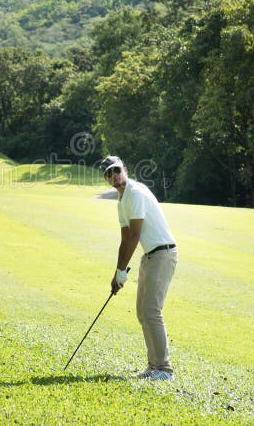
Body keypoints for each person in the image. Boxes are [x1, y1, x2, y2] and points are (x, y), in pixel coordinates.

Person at [101, 155, 178, 382]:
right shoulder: (122, 201)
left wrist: (123, 271)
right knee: (142, 312)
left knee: (151, 311)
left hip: (163, 253)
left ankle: (165, 369)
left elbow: (135, 236)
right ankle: (153, 367)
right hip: (150, 256)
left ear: (124, 169)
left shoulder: (134, 193)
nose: (113, 175)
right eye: (108, 173)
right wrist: (118, 273)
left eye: (116, 170)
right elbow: (125, 239)